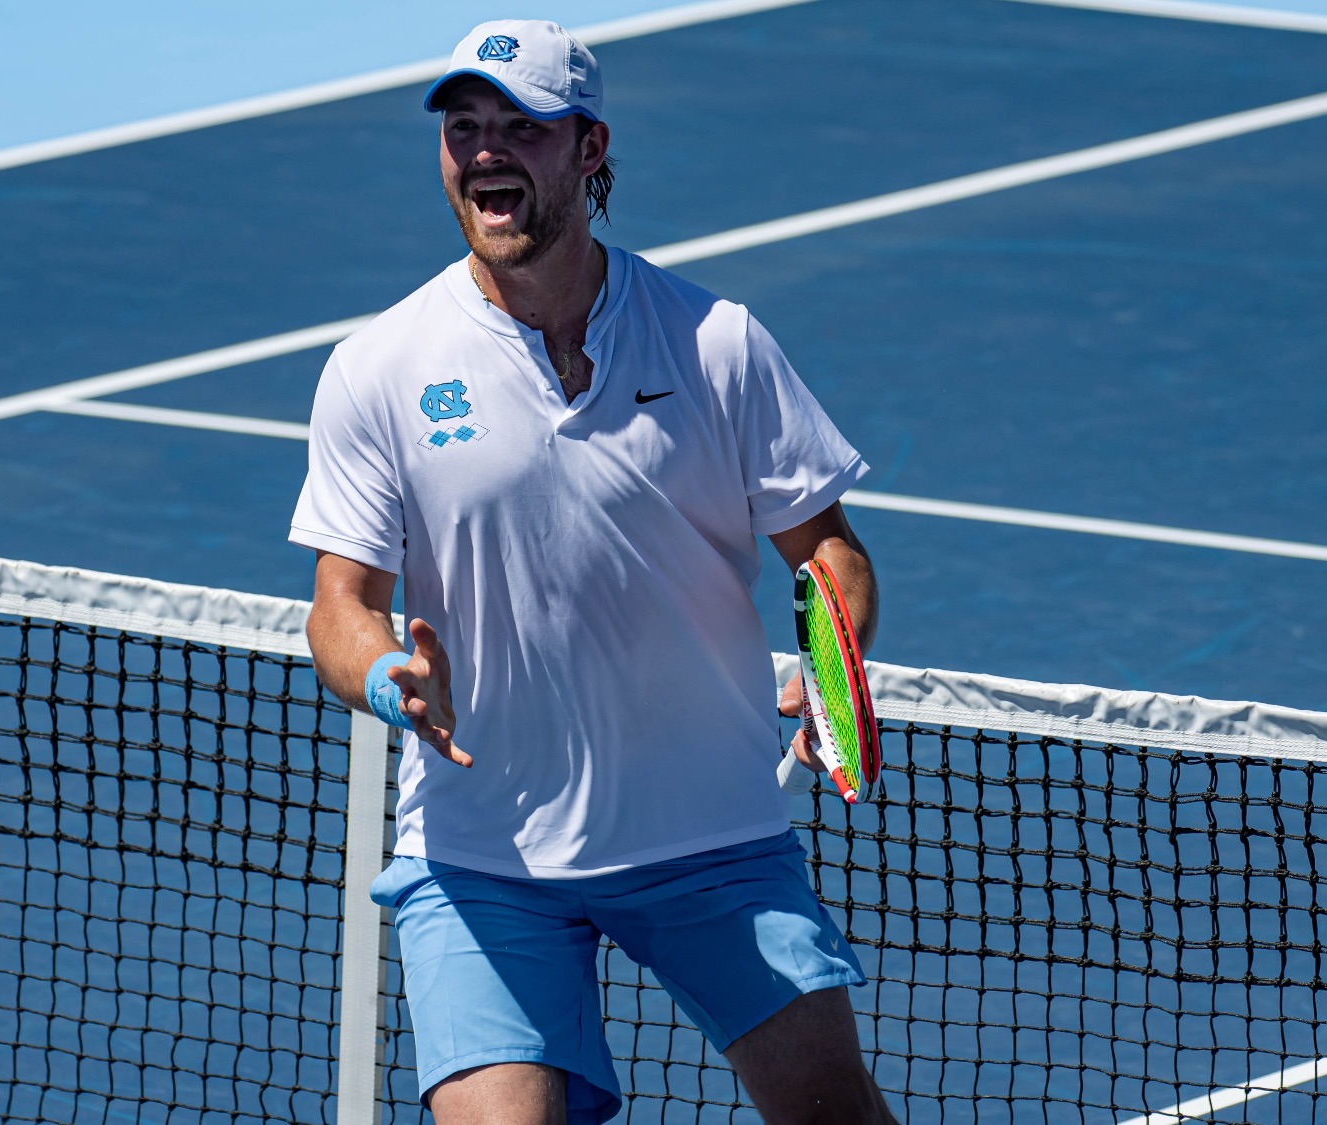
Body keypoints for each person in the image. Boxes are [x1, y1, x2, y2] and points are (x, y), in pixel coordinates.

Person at [290, 19, 893, 1125]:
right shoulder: (377, 369)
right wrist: (385, 676)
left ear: (589, 147)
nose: (485, 149)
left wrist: (828, 658)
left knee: (829, 1113)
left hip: (709, 832)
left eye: (520, 126)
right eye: (463, 127)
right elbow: (343, 604)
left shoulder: (715, 343)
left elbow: (828, 552)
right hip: (481, 856)